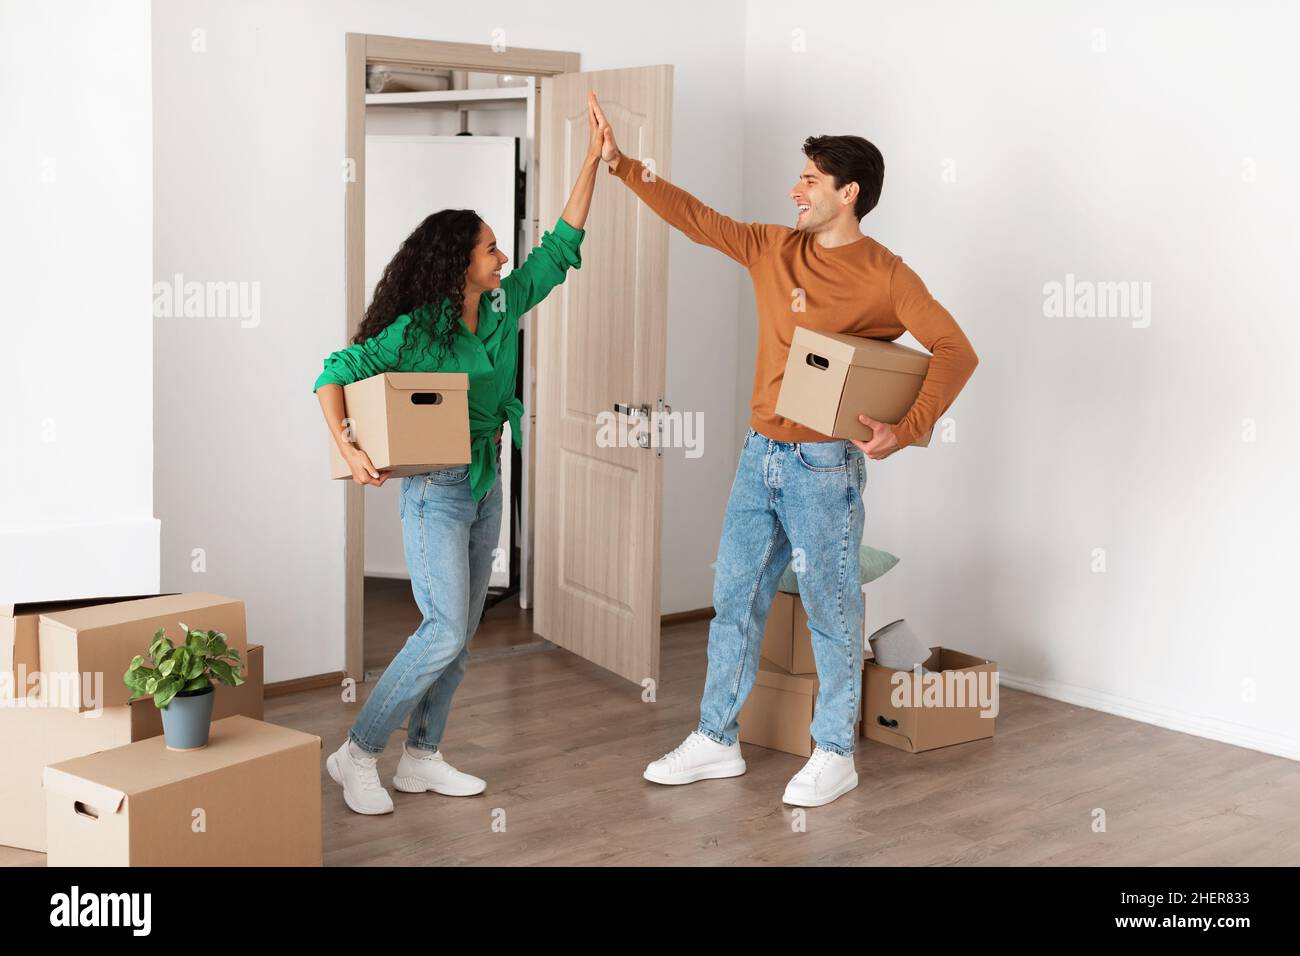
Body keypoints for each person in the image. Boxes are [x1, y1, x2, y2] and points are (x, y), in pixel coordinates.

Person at [589, 95, 978, 807]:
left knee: (832, 611)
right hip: (757, 454)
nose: (794, 190)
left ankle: (834, 752)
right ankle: (716, 739)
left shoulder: (887, 274)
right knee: (733, 598)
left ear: (848, 192)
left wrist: (907, 429)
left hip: (824, 468)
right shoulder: (774, 247)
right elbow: (699, 220)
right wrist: (622, 168)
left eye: (809, 180)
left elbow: (957, 350)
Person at [313, 93, 608, 816]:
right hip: (434, 488)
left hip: (485, 478)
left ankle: (423, 755)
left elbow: (561, 247)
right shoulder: (419, 329)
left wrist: (594, 160)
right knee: (442, 625)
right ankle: (357, 751)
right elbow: (333, 372)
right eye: (489, 248)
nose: (503, 255)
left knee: (462, 630)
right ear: (459, 263)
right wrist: (346, 448)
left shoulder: (504, 305)